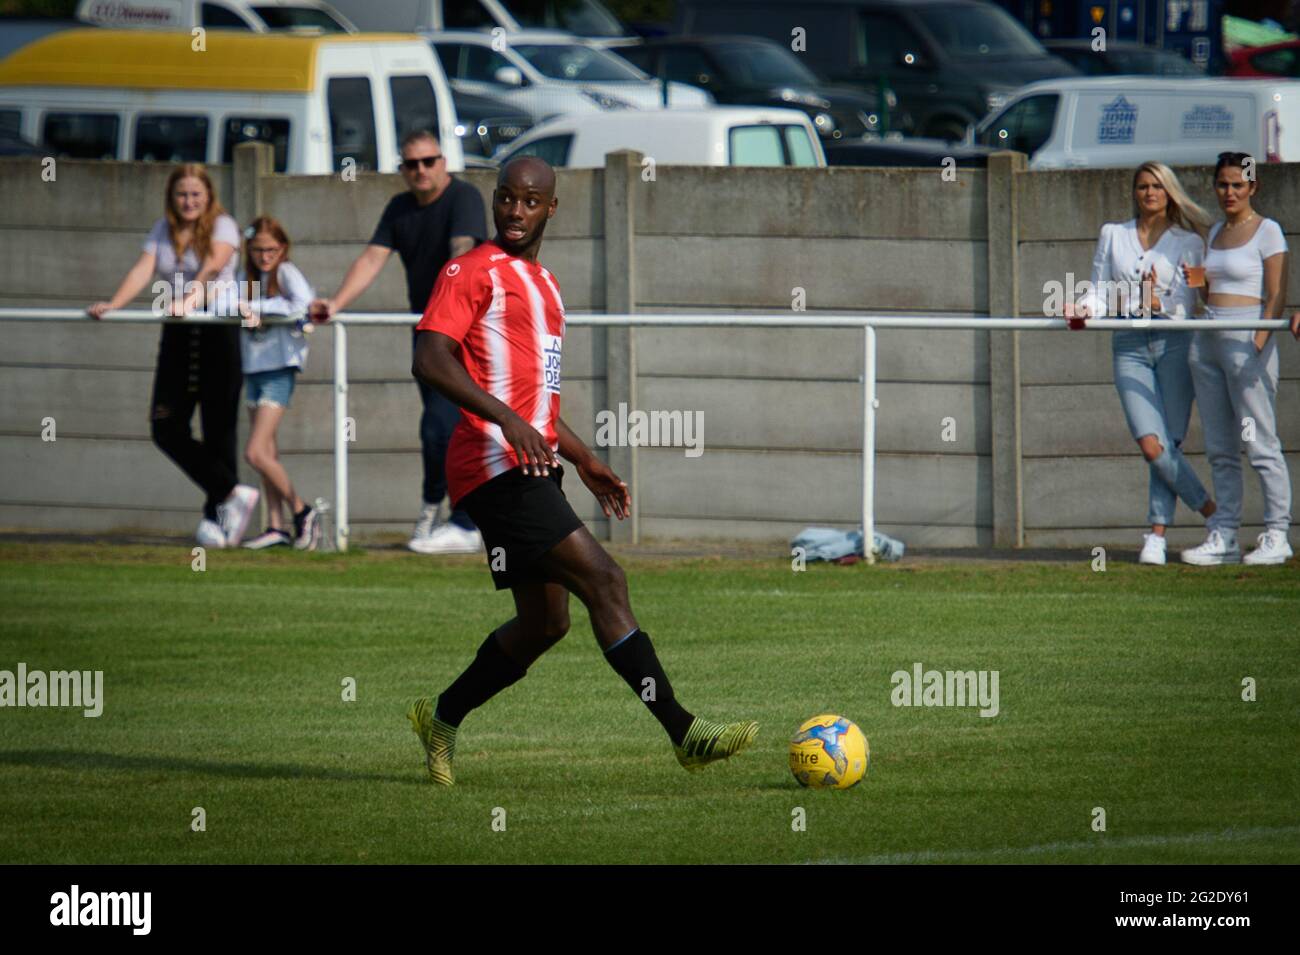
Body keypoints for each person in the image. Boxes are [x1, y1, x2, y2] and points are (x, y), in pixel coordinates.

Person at [405, 157, 758, 786]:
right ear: (495, 200)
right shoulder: (469, 271)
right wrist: (507, 421)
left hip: (529, 461)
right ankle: (685, 732)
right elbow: (430, 360)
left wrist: (585, 457)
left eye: (530, 201)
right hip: (492, 465)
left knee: (546, 623)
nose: (516, 211)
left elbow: (535, 402)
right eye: (506, 199)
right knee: (606, 580)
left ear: (551, 207)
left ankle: (441, 717)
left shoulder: (546, 286)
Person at [309, 130, 487, 555]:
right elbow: (372, 257)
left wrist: (448, 309)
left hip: (465, 334)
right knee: (438, 429)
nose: (421, 170)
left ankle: (462, 521)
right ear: (402, 169)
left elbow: (462, 254)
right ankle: (440, 510)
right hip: (429, 337)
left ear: (443, 162)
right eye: (411, 164)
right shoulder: (399, 208)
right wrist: (335, 302)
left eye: (429, 161)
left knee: (448, 426)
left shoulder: (464, 198)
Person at [88, 164, 259, 547]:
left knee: (219, 430)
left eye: (196, 194)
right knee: (165, 425)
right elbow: (143, 269)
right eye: (182, 194)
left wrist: (190, 297)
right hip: (179, 331)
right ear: (172, 197)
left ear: (208, 196)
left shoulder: (224, 225)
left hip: (217, 328)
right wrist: (113, 303)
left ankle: (218, 519)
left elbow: (215, 265)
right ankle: (232, 490)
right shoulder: (161, 229)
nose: (189, 201)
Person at [1065, 162, 1217, 565]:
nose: (1150, 193)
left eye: (1157, 186)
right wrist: (1081, 307)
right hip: (1129, 341)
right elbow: (1097, 290)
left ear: (1169, 193)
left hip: (1173, 342)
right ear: (1134, 192)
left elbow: (1194, 303)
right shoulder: (1113, 235)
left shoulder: (1189, 242)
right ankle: (1213, 515)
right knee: (1152, 445)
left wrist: (1160, 303)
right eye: (1143, 186)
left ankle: (1156, 534)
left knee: (1170, 442)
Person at [1181, 153, 1291, 566]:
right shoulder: (1213, 233)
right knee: (1219, 446)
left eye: (1237, 185)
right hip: (1207, 336)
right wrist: (1199, 283)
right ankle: (1224, 533)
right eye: (1223, 185)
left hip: (1246, 340)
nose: (1230, 192)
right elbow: (1207, 294)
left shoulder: (1268, 231)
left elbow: (1277, 292)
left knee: (1258, 441)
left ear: (1253, 187)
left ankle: (1277, 532)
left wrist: (1259, 340)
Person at [237, 216, 320, 551]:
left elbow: (302, 303)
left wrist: (256, 307)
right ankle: (275, 526)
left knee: (255, 453)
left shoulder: (286, 272)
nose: (265, 255)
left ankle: (301, 510)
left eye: (271, 249)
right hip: (253, 368)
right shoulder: (247, 277)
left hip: (279, 368)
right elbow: (224, 302)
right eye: (258, 249)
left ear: (283, 248)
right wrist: (246, 305)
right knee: (268, 451)